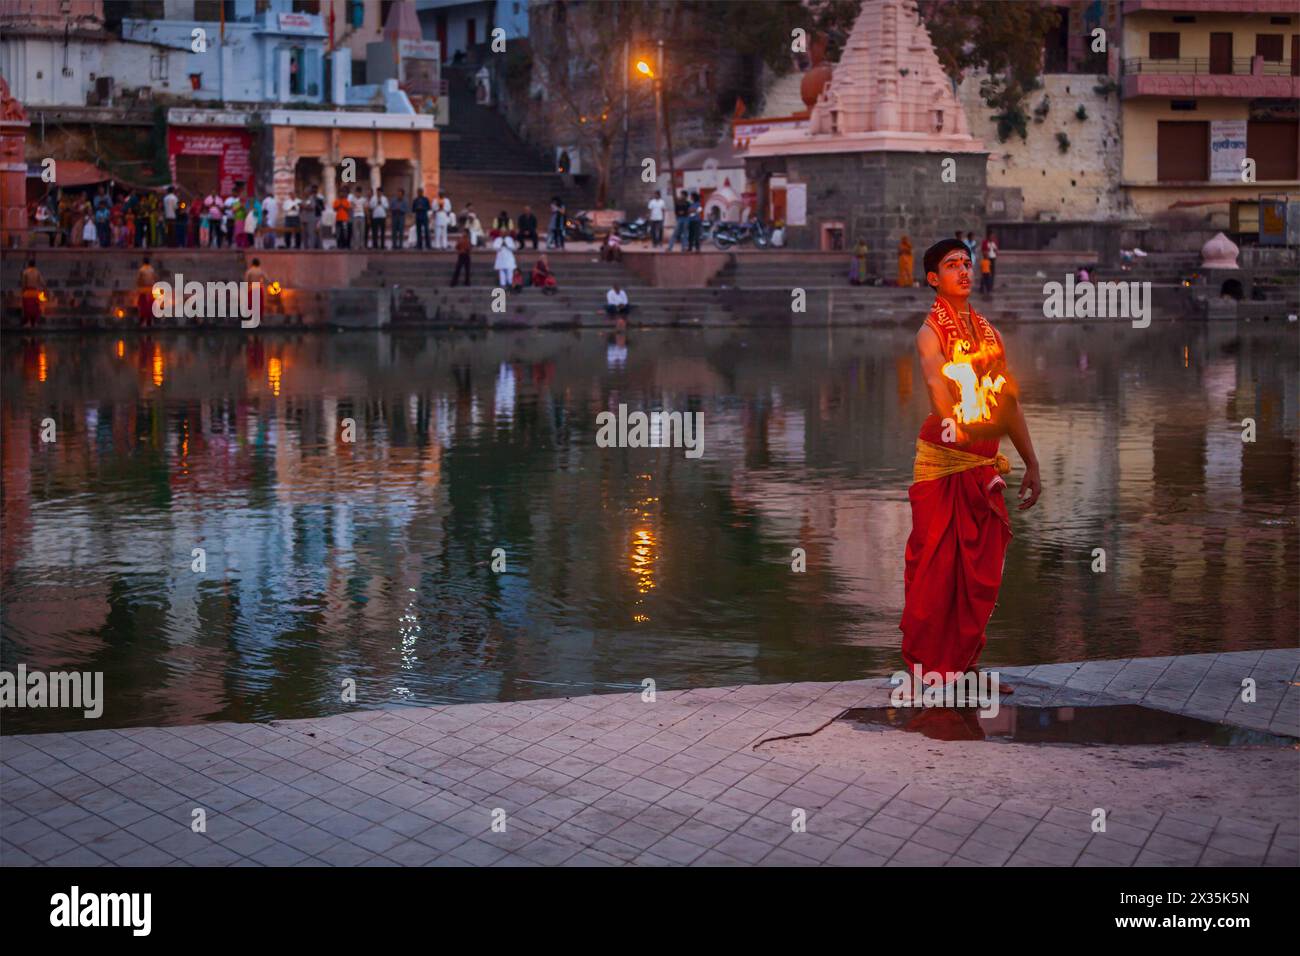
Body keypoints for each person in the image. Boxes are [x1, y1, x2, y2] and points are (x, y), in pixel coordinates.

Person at [898, 237, 1041, 698]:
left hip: (983, 461)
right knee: (936, 569)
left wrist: (1032, 462)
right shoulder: (929, 332)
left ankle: (964, 666)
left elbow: (1009, 401)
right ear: (933, 279)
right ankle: (929, 672)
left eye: (966, 262)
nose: (963, 270)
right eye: (951, 265)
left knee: (980, 569)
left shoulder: (990, 334)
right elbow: (937, 383)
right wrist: (953, 421)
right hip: (943, 460)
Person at [20, 258, 46, 328]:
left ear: (28, 264)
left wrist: (22, 291)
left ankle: (28, 322)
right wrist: (44, 289)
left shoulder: (25, 272)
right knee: (35, 309)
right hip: (35, 293)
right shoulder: (37, 272)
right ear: (34, 265)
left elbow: (23, 284)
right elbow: (43, 282)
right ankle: (34, 323)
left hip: (27, 293)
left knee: (27, 309)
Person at [136, 255, 158, 327]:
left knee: (143, 306)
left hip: (143, 290)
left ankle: (142, 321)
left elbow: (138, 280)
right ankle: (149, 321)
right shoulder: (152, 269)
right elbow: (155, 278)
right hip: (151, 290)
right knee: (150, 306)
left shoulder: (141, 270)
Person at [302, 184, 323, 250]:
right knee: (304, 235)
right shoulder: (304, 199)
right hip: (304, 219)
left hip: (311, 219)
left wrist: (304, 207)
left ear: (308, 192)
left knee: (311, 234)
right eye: (304, 191)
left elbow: (312, 207)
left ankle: (312, 248)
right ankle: (305, 247)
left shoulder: (311, 198)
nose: (304, 193)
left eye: (305, 191)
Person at [980, 229, 998, 294]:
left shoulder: (994, 242)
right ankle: (983, 288)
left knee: (992, 273)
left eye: (993, 236)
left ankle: (990, 287)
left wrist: (996, 252)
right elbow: (983, 250)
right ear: (988, 236)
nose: (992, 237)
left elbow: (996, 249)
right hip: (987, 259)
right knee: (985, 274)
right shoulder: (985, 242)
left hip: (992, 259)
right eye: (991, 236)